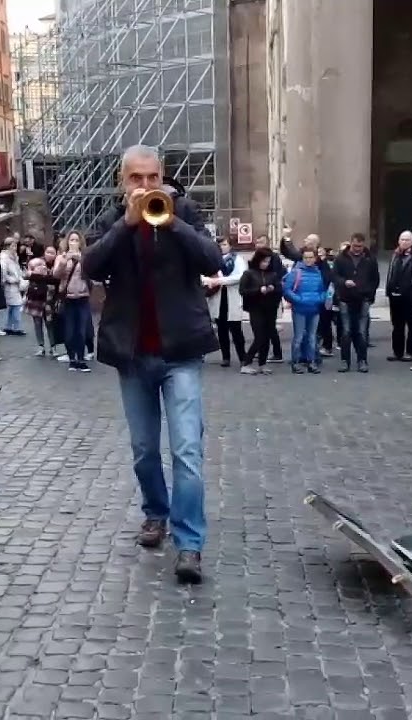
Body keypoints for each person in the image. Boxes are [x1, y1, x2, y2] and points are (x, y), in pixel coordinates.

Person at [83, 145, 222, 584]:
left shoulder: (186, 210)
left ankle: (190, 543)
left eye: (152, 178)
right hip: (133, 354)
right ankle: (156, 512)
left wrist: (172, 221)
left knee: (187, 451)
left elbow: (213, 260)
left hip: (181, 352)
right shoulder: (112, 218)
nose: (145, 187)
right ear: (122, 181)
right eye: (135, 179)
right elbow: (90, 266)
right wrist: (126, 224)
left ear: (162, 177)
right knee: (144, 451)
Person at [332, 232, 380, 373]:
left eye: (360, 246)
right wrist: (344, 282)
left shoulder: (370, 259)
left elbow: (375, 280)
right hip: (345, 298)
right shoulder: (341, 258)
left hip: (363, 298)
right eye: (355, 246)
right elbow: (334, 276)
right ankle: (345, 361)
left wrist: (369, 295)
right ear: (350, 243)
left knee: (362, 332)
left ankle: (362, 360)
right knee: (346, 331)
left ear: (363, 245)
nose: (357, 249)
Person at [281, 237, 329, 374]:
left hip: (314, 309)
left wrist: (320, 298)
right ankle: (296, 362)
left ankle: (311, 361)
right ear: (302, 258)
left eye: (311, 257)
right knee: (299, 337)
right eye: (306, 257)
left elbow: (323, 289)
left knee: (312, 337)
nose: (308, 260)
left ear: (315, 258)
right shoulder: (296, 272)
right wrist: (299, 299)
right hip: (300, 309)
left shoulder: (318, 273)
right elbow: (287, 290)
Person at [205, 237, 248, 369]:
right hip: (218, 297)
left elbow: (240, 276)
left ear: (230, 245)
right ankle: (226, 357)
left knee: (236, 331)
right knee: (222, 331)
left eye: (224, 244)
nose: (222, 247)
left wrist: (220, 281)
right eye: (219, 245)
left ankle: (243, 358)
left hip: (232, 297)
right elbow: (206, 276)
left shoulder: (237, 259)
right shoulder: (212, 260)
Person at [238, 247, 282, 375]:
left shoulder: (272, 274)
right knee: (259, 337)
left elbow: (279, 289)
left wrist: (273, 288)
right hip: (255, 308)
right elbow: (243, 291)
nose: (265, 264)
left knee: (267, 337)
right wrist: (258, 290)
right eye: (263, 261)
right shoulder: (249, 274)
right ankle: (246, 362)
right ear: (258, 260)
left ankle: (262, 364)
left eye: (268, 261)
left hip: (270, 308)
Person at [55, 232, 93, 372]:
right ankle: (72, 359)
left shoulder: (86, 257)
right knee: (70, 331)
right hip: (68, 298)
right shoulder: (62, 257)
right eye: (71, 240)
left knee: (81, 331)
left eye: (76, 240)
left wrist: (81, 261)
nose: (74, 243)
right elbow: (56, 274)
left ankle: (81, 360)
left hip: (83, 297)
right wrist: (65, 260)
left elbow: (92, 273)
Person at [385, 231, 412, 362]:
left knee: (411, 325)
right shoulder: (395, 255)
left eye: (407, 240)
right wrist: (389, 290)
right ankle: (397, 352)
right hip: (394, 295)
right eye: (402, 239)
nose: (404, 242)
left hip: (409, 295)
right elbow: (390, 273)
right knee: (397, 325)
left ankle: (411, 352)